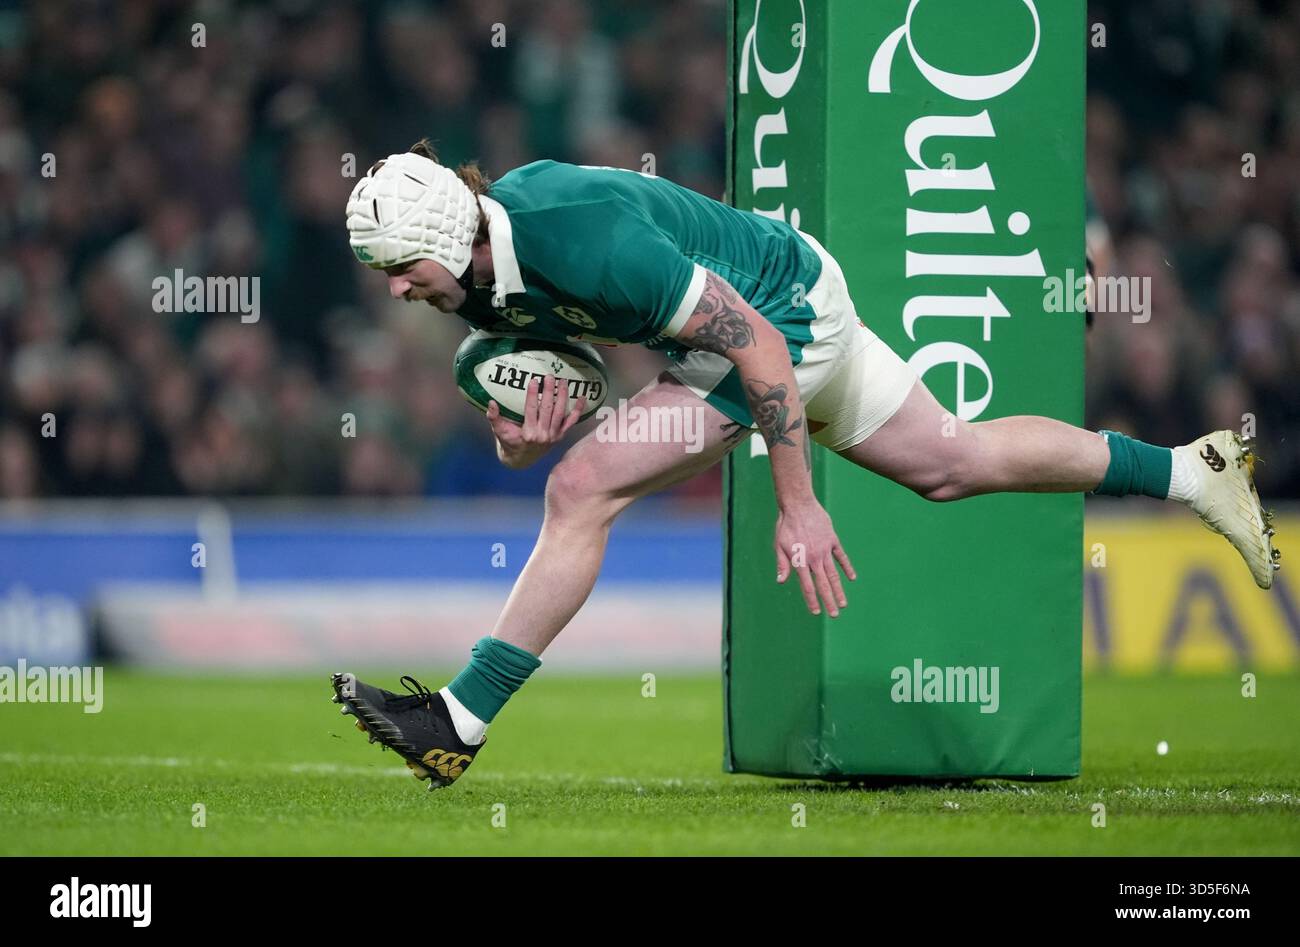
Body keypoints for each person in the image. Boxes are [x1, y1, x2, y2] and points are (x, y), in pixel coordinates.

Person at [330, 141, 1279, 789]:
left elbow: (757, 351)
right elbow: (556, 390)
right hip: (784, 295)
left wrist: (798, 501)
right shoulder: (475, 275)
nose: (399, 291)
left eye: (401, 268)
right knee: (953, 459)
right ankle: (1194, 471)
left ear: (449, 239)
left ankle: (460, 722)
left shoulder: (579, 237)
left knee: (582, 489)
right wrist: (520, 435)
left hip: (780, 319)